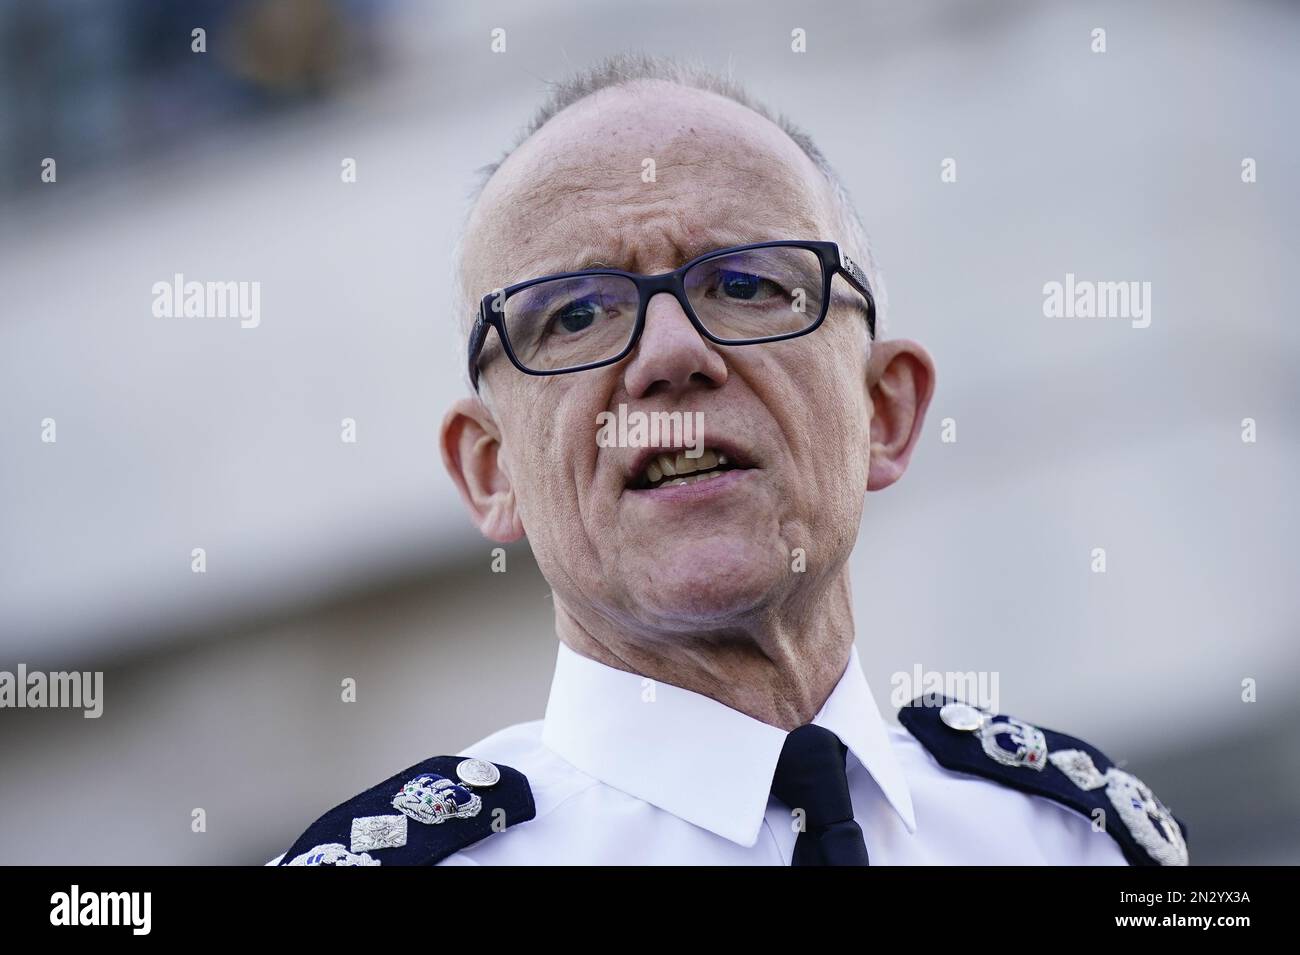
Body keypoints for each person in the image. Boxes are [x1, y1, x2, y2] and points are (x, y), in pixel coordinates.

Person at [271, 54, 1187, 867]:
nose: (670, 354)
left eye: (746, 284)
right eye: (576, 315)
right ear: (492, 471)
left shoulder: (1078, 842)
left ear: (884, 410)